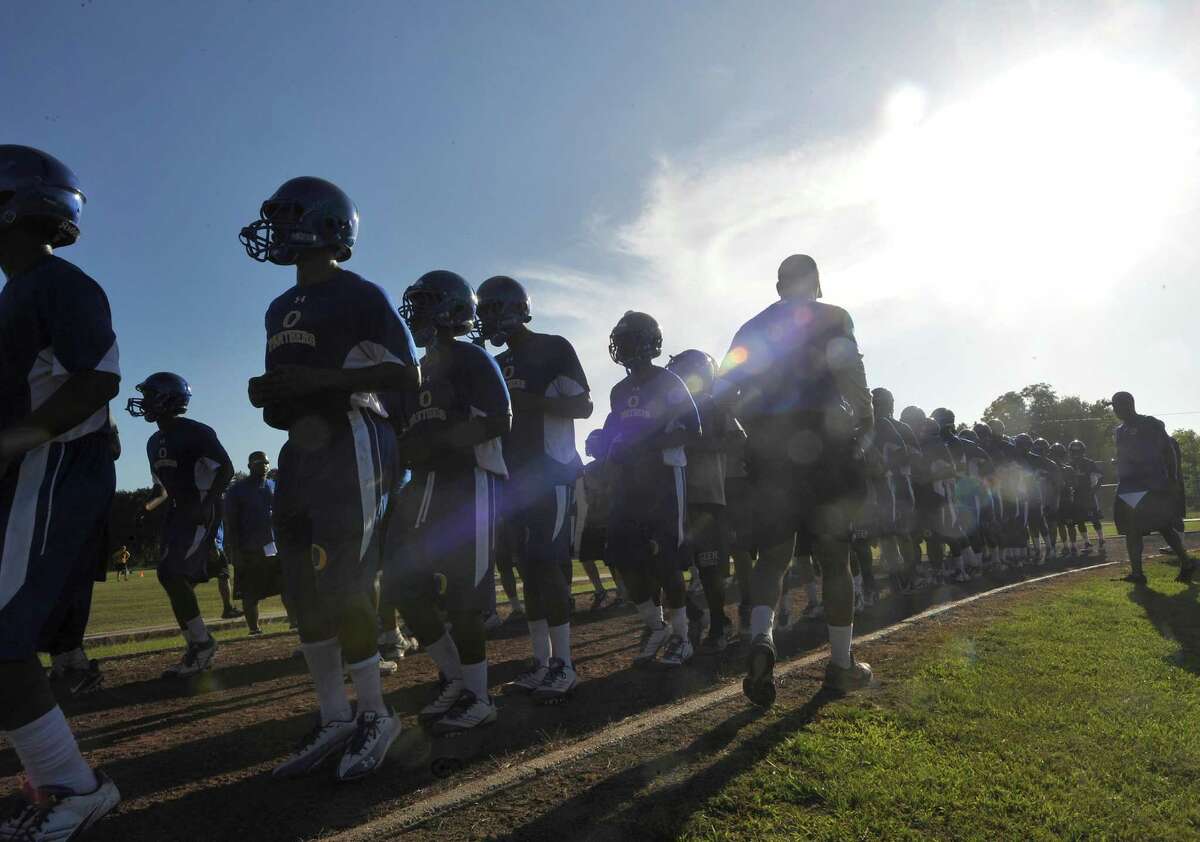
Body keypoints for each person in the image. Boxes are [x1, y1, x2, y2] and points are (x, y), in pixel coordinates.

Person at [241, 177, 417, 781]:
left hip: (356, 439)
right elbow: (288, 401)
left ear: (328, 225)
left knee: (345, 580)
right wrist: (272, 397)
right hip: (302, 449)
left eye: (288, 215)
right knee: (299, 586)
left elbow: (402, 375)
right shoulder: (276, 308)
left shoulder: (361, 295)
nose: (278, 226)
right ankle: (334, 715)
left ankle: (375, 713)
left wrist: (315, 385)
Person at [0, 145, 122, 839]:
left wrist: (18, 440)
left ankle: (74, 788)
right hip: (31, 471)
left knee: (3, 639)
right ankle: (56, 781)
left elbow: (98, 378)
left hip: (53, 467)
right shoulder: (17, 291)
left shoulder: (57, 283)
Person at [719, 254, 873, 708]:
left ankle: (763, 637)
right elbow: (853, 384)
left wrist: (756, 431)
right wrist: (864, 427)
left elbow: (724, 394)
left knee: (772, 557)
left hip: (769, 448)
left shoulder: (752, 328)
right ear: (816, 283)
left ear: (779, 284)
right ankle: (841, 665)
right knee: (834, 559)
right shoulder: (833, 317)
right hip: (824, 445)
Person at [383, 270, 510, 732]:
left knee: (463, 597)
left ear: (454, 309)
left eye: (426, 301)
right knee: (401, 586)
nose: (416, 311)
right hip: (423, 487)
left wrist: (442, 443)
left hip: (468, 483)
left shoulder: (472, 358)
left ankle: (480, 696)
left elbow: (500, 419)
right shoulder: (416, 370)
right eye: (414, 301)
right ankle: (458, 679)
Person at [476, 275, 592, 702]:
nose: (484, 319)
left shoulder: (553, 347)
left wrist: (535, 403)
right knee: (528, 569)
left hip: (553, 472)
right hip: (514, 480)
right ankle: (542, 663)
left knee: (547, 565)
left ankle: (564, 663)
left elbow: (583, 405)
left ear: (513, 307)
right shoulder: (498, 363)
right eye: (481, 311)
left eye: (490, 309)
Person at [601, 311, 701, 667]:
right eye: (621, 339)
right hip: (628, 482)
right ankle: (655, 626)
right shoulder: (618, 391)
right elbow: (616, 434)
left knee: (666, 561)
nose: (624, 347)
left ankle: (682, 636)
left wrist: (650, 444)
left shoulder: (669, 381)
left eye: (630, 339)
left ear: (649, 342)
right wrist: (605, 442)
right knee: (624, 557)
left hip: (663, 478)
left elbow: (693, 431)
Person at [128, 372, 233, 677]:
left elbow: (226, 468)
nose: (145, 402)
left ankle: (201, 644)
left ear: (168, 398)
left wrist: (208, 502)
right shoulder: (153, 441)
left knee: (171, 573)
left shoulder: (195, 431)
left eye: (150, 396)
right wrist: (146, 507)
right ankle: (197, 643)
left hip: (200, 509)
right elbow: (162, 489)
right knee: (170, 577)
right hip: (177, 512)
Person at [667, 349, 743, 653]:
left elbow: (738, 440)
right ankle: (695, 616)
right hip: (673, 496)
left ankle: (718, 621)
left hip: (706, 496)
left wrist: (698, 444)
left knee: (710, 567)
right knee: (665, 565)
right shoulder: (670, 408)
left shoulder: (714, 407)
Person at [1110, 391, 1194, 584]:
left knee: (1163, 525)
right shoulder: (1119, 431)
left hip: (1152, 484)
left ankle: (1187, 563)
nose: (1114, 410)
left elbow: (1169, 450)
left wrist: (1172, 479)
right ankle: (1137, 574)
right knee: (1131, 528)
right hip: (1129, 486)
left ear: (1127, 405)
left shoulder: (1150, 423)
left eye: (1116, 406)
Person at [224, 451, 284, 636]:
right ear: (249, 465)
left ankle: (295, 622)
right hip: (248, 548)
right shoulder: (237, 490)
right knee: (250, 591)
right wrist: (234, 550)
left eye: (266, 462)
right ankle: (254, 629)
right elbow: (230, 521)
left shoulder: (273, 485)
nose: (263, 466)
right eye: (258, 462)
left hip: (273, 547)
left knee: (286, 584)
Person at [1066, 440, 1106, 555]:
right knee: (1079, 520)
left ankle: (1101, 539)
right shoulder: (1070, 464)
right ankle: (1087, 542)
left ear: (1082, 451)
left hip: (1088, 494)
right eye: (1074, 451)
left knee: (1094, 518)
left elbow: (1101, 476)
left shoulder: (1089, 463)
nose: (1076, 453)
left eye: (1078, 451)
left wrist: (1094, 490)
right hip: (1076, 495)